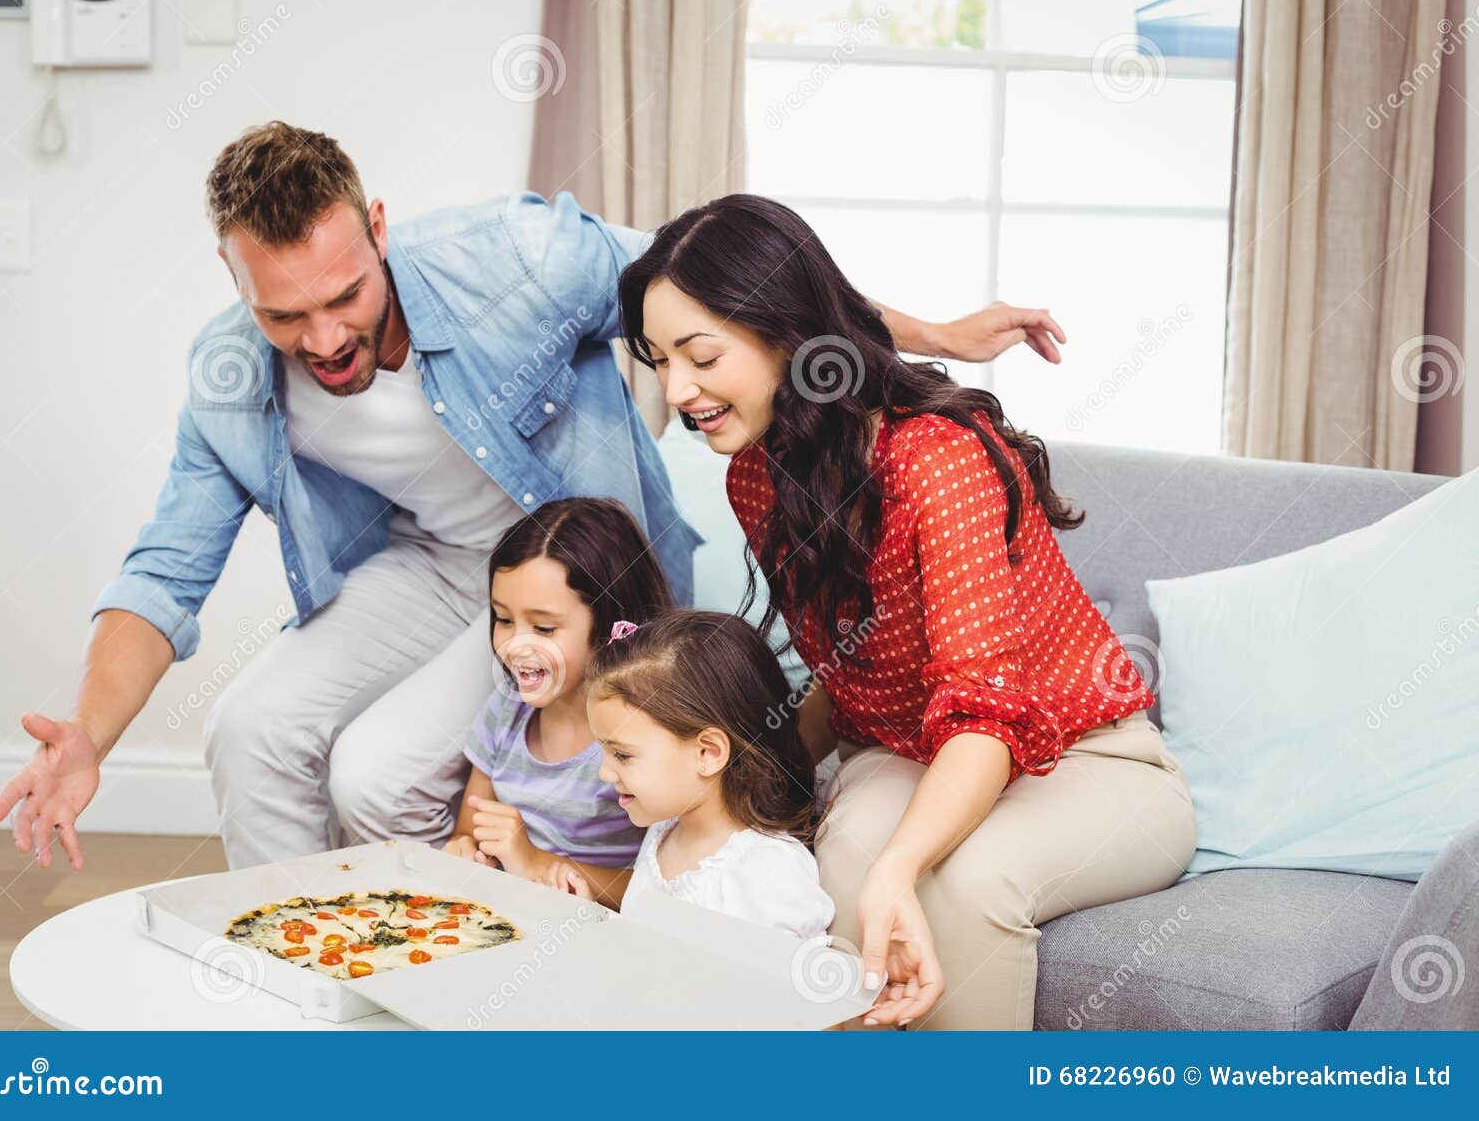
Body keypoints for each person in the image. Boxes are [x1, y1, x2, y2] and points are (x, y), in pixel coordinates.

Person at [0, 119, 1069, 873]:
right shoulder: (227, 377)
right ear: (233, 279)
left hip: (578, 578)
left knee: (375, 777)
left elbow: (726, 288)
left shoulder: (514, 257)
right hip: (423, 565)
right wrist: (89, 733)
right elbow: (165, 567)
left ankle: (432, 1003)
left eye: (344, 295)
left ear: (377, 225)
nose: (323, 338)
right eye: (282, 316)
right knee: (248, 725)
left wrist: (930, 332)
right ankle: (303, 1012)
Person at [615, 193, 1196, 1030]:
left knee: (965, 880)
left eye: (700, 356)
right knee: (845, 855)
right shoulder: (758, 472)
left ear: (784, 334)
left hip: (1093, 760)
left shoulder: (940, 461)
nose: (676, 389)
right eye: (661, 360)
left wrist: (900, 866)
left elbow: (984, 717)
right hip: (911, 747)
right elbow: (842, 674)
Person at [443, 498, 672, 908]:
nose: (516, 644)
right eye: (503, 619)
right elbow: (468, 831)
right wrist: (465, 850)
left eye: (544, 627)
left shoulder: (644, 732)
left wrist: (534, 862)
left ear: (608, 624)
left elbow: (664, 892)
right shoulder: (506, 711)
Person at [555, 610, 834, 943]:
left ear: (708, 753)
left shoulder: (768, 872)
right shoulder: (664, 831)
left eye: (623, 755)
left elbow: (796, 986)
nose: (604, 772)